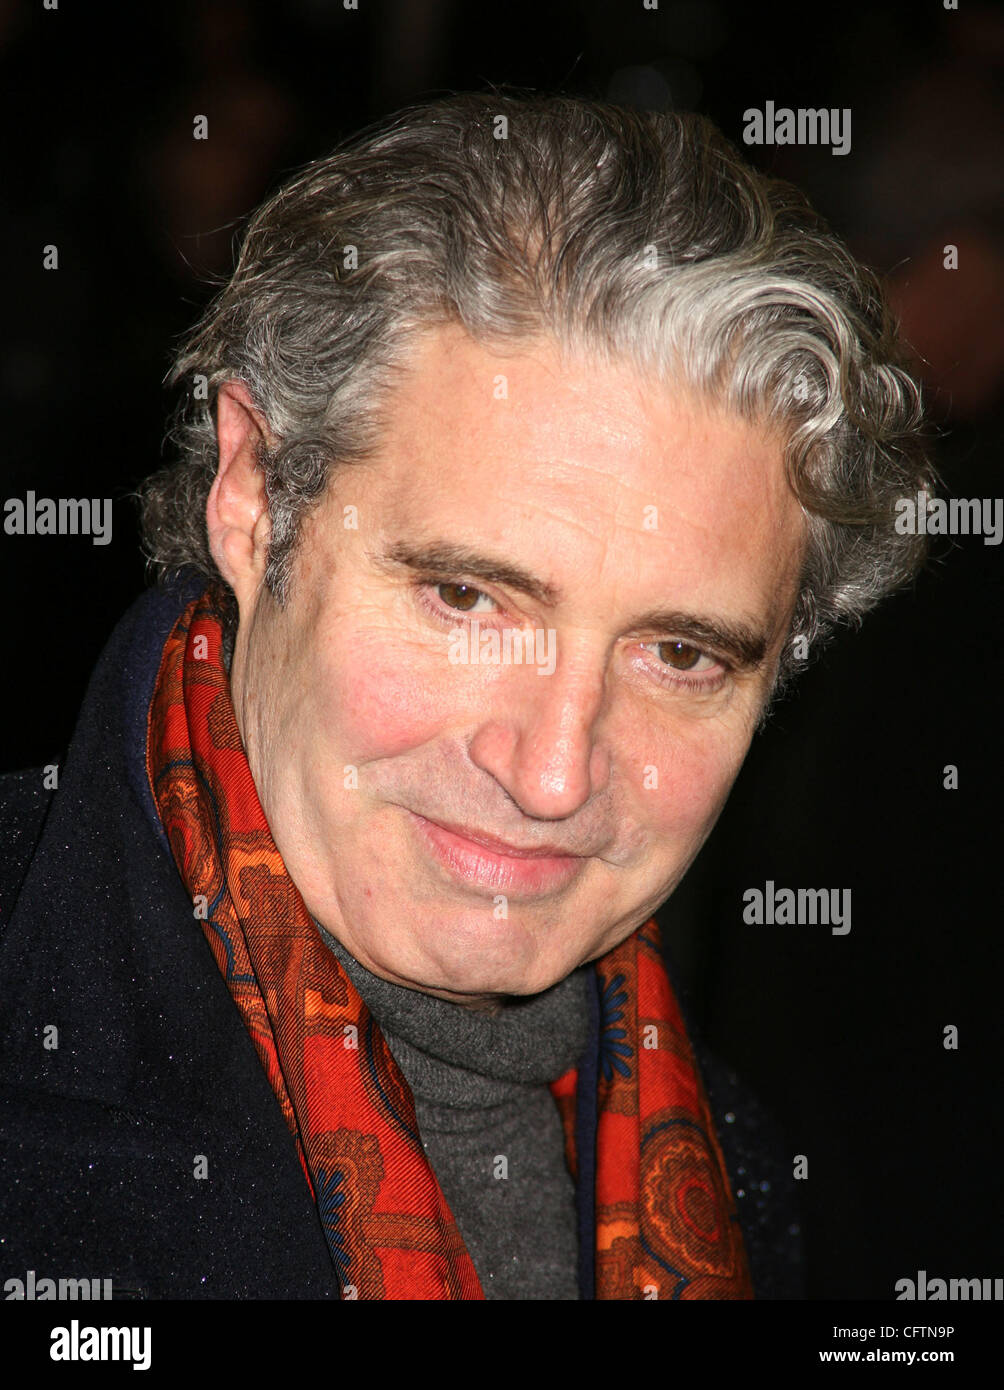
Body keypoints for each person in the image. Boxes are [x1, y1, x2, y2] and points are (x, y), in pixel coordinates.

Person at [0, 90, 933, 1301]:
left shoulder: (748, 1170)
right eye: (465, 599)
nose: (551, 773)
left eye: (680, 656)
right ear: (252, 496)